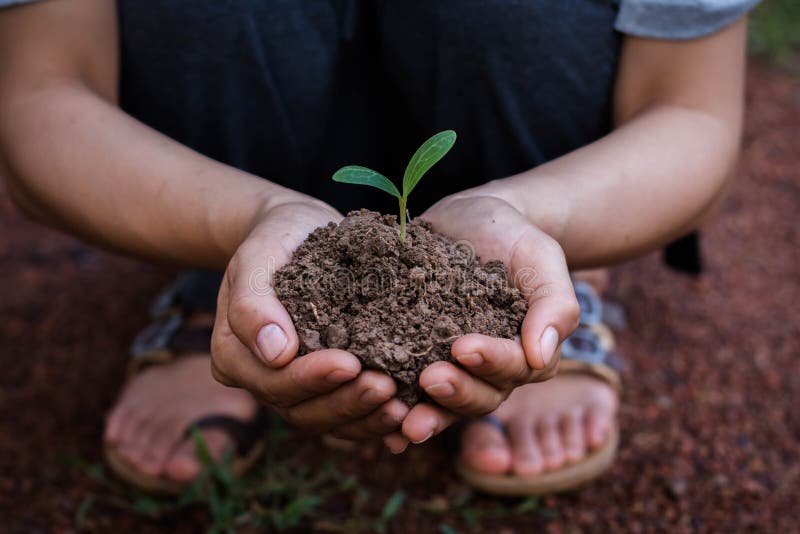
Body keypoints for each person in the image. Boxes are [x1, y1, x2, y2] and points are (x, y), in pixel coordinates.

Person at [0, 0, 755, 495]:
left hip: (521, 149)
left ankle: (537, 284)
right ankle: (222, 280)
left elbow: (691, 110)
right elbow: (42, 99)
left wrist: (523, 210)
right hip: (245, 155)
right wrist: (251, 215)